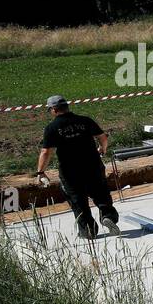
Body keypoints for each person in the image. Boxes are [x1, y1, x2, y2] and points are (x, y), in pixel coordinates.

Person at [36, 95, 120, 239]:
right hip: (93, 165)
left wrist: (40, 172)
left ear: (54, 110)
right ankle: (108, 216)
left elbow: (46, 152)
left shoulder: (52, 128)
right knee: (101, 194)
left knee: (78, 201)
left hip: (70, 171)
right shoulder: (85, 120)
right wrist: (102, 149)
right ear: (67, 107)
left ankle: (88, 230)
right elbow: (103, 137)